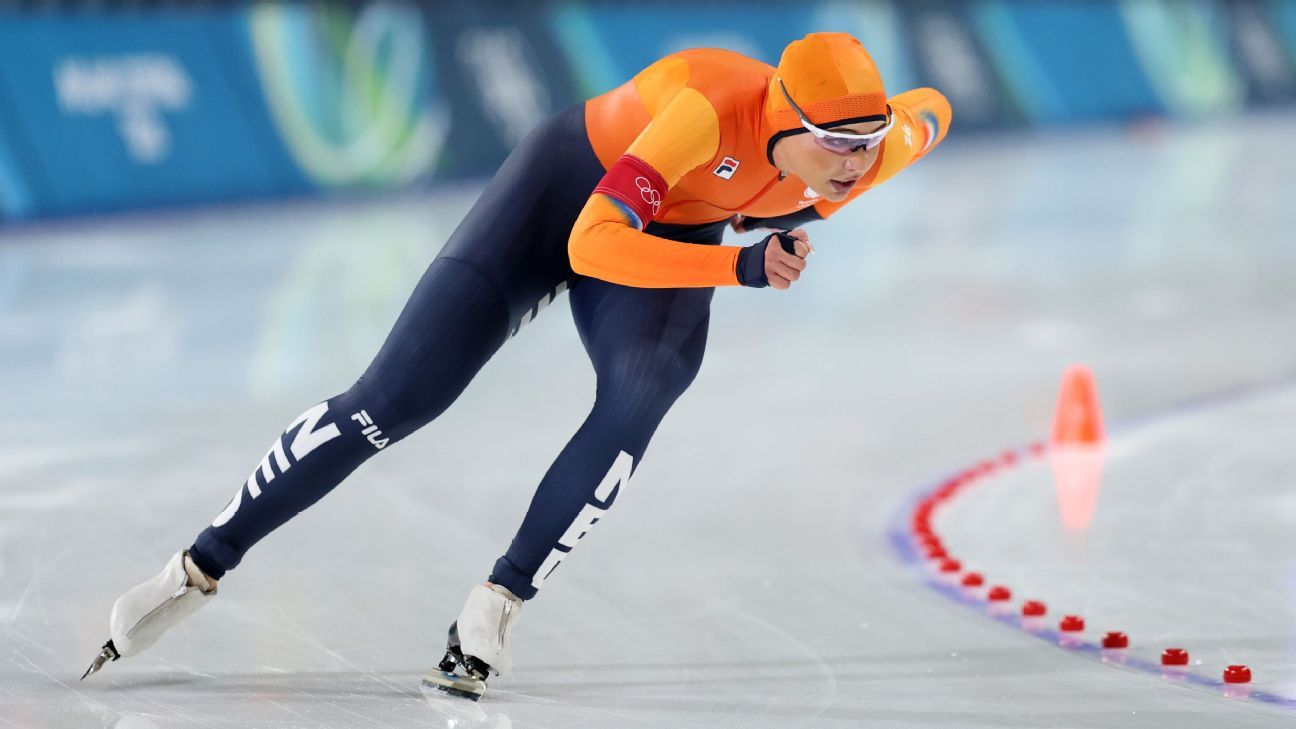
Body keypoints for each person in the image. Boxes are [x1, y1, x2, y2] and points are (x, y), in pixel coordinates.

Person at [83, 32, 951, 700]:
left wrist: (882, 135)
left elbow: (932, 108)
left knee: (643, 389)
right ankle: (197, 566)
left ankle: (498, 600)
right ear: (781, 121)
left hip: (676, 229)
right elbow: (594, 240)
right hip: (569, 191)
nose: (857, 164)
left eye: (869, 144)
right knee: (395, 399)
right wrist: (739, 265)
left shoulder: (875, 148)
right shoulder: (709, 106)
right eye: (838, 145)